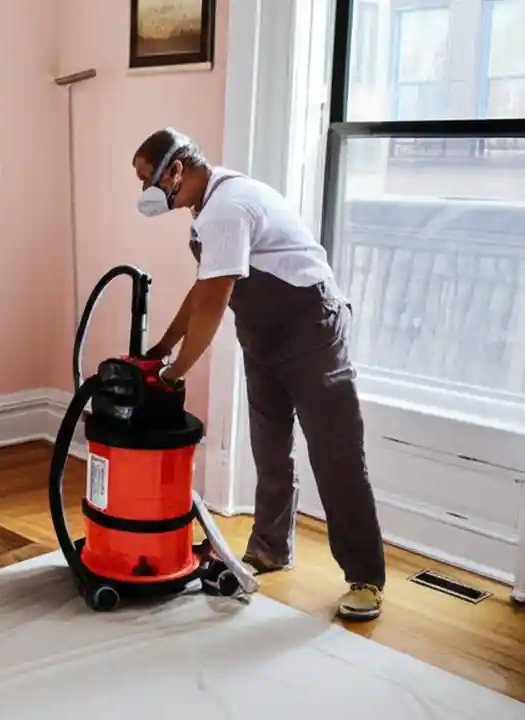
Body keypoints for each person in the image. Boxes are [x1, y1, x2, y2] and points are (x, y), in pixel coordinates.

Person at [132, 127, 387, 621]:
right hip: (264, 333)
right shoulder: (205, 208)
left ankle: (366, 577)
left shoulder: (229, 207)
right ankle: (270, 548)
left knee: (336, 453)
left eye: (148, 179)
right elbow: (202, 289)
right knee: (270, 448)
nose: (145, 191)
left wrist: (175, 373)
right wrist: (161, 347)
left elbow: (213, 303)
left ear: (177, 171)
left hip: (310, 330)